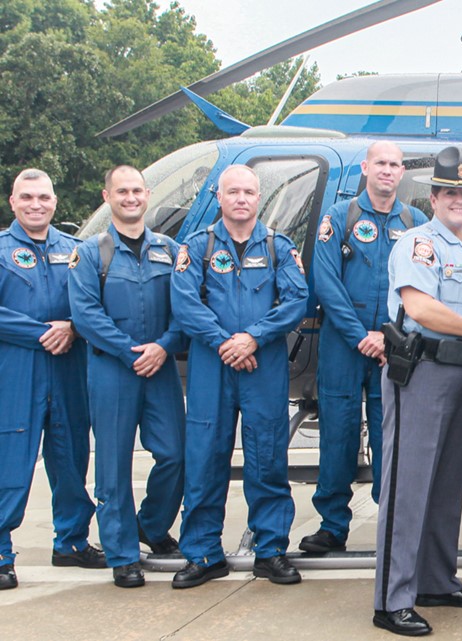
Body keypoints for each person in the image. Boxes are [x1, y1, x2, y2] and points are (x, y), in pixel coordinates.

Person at [372, 146, 462, 636]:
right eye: (450, 191)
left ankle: (435, 580)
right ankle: (392, 599)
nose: (460, 200)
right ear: (433, 197)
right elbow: (421, 308)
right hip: (423, 373)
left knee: (448, 486)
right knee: (408, 488)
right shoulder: (417, 243)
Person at [170, 164, 309, 589]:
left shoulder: (279, 247)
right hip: (212, 366)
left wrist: (253, 338)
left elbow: (297, 300)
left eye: (249, 192)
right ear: (220, 196)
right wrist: (225, 343)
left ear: (258, 197)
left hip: (262, 365)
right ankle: (202, 553)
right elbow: (184, 303)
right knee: (204, 457)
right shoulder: (198, 247)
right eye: (233, 192)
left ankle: (270, 551)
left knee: (267, 456)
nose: (242, 199)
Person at [303, 141, 427, 554]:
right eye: (380, 163)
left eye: (394, 164)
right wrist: (361, 336)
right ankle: (332, 525)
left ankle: (392, 524)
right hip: (344, 343)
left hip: (394, 344)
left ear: (402, 171)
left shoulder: (415, 223)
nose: (387, 170)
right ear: (365, 168)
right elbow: (326, 283)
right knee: (337, 433)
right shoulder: (339, 218)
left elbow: (423, 286)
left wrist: (388, 335)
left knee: (390, 435)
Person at [67, 166, 186, 588]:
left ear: (147, 194)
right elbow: (85, 314)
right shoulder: (90, 254)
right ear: (107, 197)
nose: (130, 197)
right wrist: (128, 351)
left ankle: (150, 525)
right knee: (113, 464)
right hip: (112, 369)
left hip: (160, 367)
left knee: (176, 454)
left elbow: (186, 309)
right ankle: (121, 554)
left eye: (136, 190)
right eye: (122, 191)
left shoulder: (170, 250)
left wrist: (164, 346)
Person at [0, 169, 101, 590]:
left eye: (43, 197)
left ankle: (71, 541)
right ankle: (1, 553)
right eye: (27, 197)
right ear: (12, 202)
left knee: (71, 454)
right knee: (10, 460)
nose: (35, 204)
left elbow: (94, 302)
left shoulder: (77, 251)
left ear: (55, 202)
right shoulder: (1, 250)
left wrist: (73, 327)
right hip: (17, 369)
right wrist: (42, 333)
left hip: (68, 367)